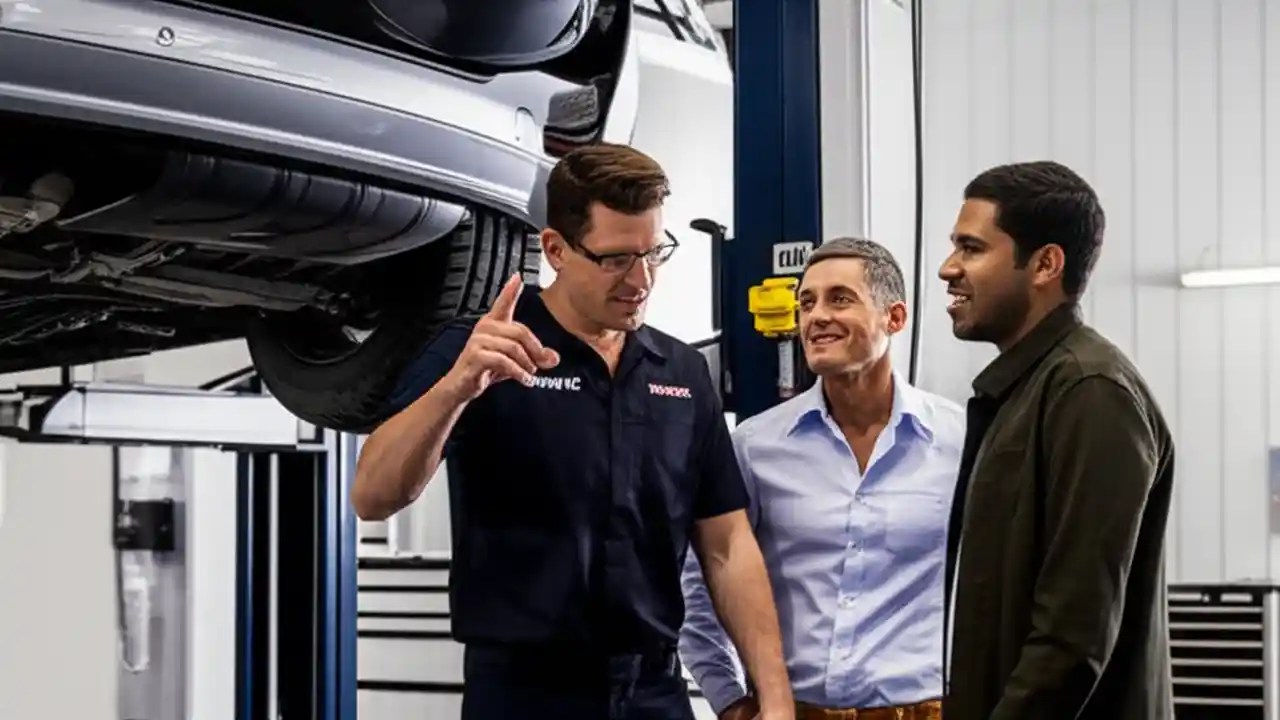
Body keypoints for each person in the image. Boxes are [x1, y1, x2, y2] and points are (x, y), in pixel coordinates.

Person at [351, 142, 794, 720]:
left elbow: (727, 546)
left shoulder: (683, 373)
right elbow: (372, 496)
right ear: (555, 250)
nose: (641, 280)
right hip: (523, 694)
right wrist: (455, 387)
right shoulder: (485, 349)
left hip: (653, 691)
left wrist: (775, 692)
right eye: (615, 259)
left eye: (654, 253)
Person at [680, 237, 965, 720]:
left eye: (840, 299)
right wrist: (728, 700)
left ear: (894, 318)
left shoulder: (960, 441)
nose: (815, 317)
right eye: (806, 303)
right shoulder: (756, 446)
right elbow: (700, 580)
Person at [938, 160, 1175, 719]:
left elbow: (1072, 637)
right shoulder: (1025, 391)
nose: (949, 268)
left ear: (1045, 264)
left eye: (972, 249)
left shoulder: (1091, 391)